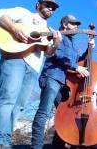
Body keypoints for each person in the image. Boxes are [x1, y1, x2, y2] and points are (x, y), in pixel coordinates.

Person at [0, 0, 62, 149]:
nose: (50, 9)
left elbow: (48, 53)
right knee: (8, 97)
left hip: (33, 68)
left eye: (53, 8)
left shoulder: (50, 31)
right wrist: (15, 30)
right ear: (38, 5)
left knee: (19, 105)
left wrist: (56, 43)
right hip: (15, 59)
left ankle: (5, 142)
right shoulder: (24, 13)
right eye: (47, 5)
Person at [31, 15, 92, 149]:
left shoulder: (73, 44)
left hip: (64, 82)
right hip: (52, 77)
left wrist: (89, 48)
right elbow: (57, 55)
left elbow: (78, 61)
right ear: (65, 25)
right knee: (44, 112)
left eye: (77, 24)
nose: (76, 26)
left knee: (64, 115)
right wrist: (76, 67)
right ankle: (36, 146)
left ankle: (57, 146)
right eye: (73, 24)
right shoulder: (59, 36)